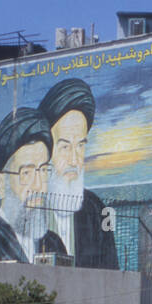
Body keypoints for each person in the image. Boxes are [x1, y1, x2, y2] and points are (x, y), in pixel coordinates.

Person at [37, 79, 119, 269]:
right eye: (65, 146)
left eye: (80, 145)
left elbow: (111, 275)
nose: (74, 160)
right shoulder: (27, 206)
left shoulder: (96, 210)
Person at [0, 108, 66, 263]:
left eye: (44, 170)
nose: (39, 185)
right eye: (26, 173)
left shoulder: (54, 244)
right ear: (1, 184)